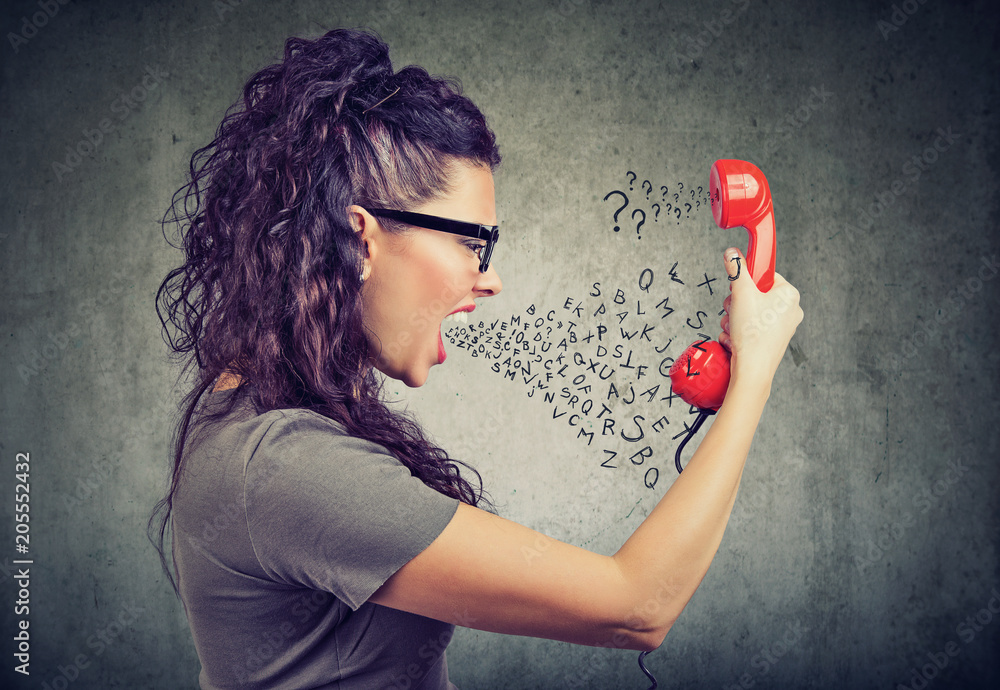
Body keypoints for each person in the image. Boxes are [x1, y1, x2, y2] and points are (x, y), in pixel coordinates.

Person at [148, 28, 802, 689]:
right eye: (473, 244)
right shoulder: (287, 466)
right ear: (361, 240)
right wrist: (754, 371)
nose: (488, 280)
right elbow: (638, 606)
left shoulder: (254, 409)